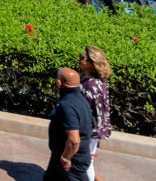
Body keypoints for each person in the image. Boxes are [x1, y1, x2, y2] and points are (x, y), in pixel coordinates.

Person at [45, 67, 93, 181]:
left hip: (71, 159)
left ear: (59, 82)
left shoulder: (67, 105)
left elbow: (74, 140)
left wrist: (65, 159)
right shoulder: (81, 100)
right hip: (61, 155)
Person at [79, 47, 112, 181]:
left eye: (82, 58)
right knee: (87, 160)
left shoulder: (89, 85)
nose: (79, 60)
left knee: (85, 163)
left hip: (89, 128)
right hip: (96, 127)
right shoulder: (99, 80)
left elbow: (85, 108)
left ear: (92, 63)